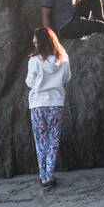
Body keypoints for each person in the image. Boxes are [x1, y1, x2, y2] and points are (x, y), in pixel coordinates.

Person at [26, 26, 71, 190]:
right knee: (53, 140)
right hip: (56, 103)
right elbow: (67, 78)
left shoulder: (34, 60)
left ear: (40, 42)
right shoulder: (63, 58)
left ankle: (43, 176)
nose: (33, 43)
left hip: (38, 104)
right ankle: (49, 175)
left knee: (41, 141)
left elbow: (30, 82)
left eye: (35, 41)